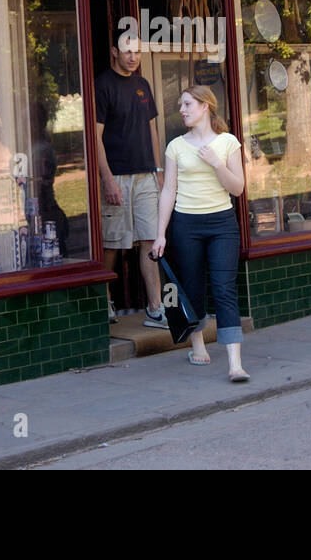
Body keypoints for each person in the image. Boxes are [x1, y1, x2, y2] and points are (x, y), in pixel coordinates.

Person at [152, 85, 248, 382]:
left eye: (187, 104)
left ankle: (235, 363)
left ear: (205, 106)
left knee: (224, 289)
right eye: (180, 105)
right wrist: (160, 234)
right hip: (186, 226)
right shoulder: (175, 147)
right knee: (191, 288)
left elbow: (238, 188)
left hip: (222, 224)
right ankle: (197, 345)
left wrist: (216, 163)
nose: (181, 110)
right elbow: (169, 190)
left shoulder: (228, 142)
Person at [94, 24, 168, 328]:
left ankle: (155, 308)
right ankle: (105, 299)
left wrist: (158, 169)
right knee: (113, 243)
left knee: (150, 242)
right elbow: (94, 137)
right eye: (127, 51)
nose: (133, 56)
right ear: (115, 52)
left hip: (145, 176)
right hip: (118, 177)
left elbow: (151, 129)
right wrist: (108, 179)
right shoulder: (103, 86)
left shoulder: (143, 85)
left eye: (137, 51)